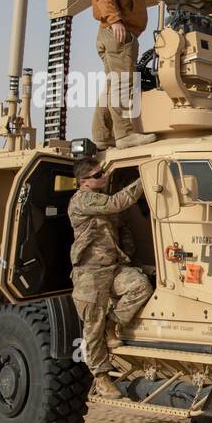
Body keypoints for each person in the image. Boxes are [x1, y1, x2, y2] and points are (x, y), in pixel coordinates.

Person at [69, 158, 152, 398]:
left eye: (103, 173)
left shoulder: (100, 200)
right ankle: (101, 377)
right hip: (90, 273)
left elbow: (120, 226)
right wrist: (146, 176)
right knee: (92, 326)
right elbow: (117, 202)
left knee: (140, 286)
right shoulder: (83, 200)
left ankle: (113, 325)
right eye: (97, 175)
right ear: (84, 182)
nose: (103, 176)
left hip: (111, 268)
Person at [91, 0, 156, 149]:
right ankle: (124, 135)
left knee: (114, 85)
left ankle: (102, 135)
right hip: (117, 32)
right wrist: (115, 19)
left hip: (114, 32)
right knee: (123, 85)